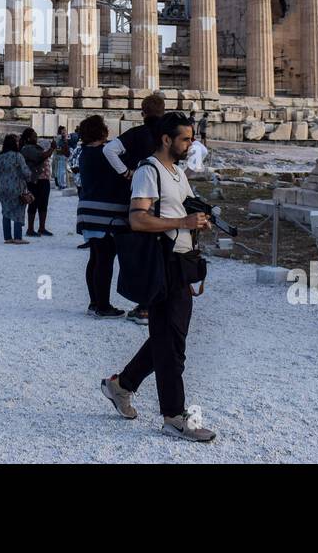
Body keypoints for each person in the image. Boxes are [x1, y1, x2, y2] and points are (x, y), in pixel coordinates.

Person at [100, 111, 215, 443]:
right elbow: (138, 220)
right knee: (172, 343)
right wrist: (183, 224)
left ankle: (120, 386)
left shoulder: (178, 172)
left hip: (181, 262)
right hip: (160, 265)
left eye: (192, 138)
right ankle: (174, 416)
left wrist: (197, 221)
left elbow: (180, 213)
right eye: (185, 138)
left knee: (169, 338)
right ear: (167, 139)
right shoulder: (148, 172)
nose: (191, 143)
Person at [101, 92, 166, 325]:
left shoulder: (137, 134)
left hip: (141, 198)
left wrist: (126, 173)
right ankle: (160, 303)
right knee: (165, 249)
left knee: (143, 251)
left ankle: (145, 307)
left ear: (143, 112)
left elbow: (108, 150)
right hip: (168, 199)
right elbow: (195, 156)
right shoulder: (170, 135)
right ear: (164, 111)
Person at [74, 115, 126, 317]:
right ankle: (103, 306)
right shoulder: (105, 153)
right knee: (105, 259)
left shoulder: (85, 153)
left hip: (87, 209)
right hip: (105, 212)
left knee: (95, 258)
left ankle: (94, 303)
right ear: (102, 131)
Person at [0, 133, 32, 244]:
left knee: (6, 212)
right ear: (14, 144)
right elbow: (25, 172)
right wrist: (30, 177)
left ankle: (8, 237)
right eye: (17, 142)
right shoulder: (18, 156)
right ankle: (18, 237)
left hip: (3, 189)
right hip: (17, 188)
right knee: (19, 211)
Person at [19, 127, 55, 237]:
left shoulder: (34, 147)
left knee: (43, 204)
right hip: (34, 180)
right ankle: (30, 229)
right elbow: (39, 157)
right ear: (28, 138)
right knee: (33, 204)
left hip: (43, 179)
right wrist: (51, 149)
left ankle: (41, 228)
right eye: (34, 136)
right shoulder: (27, 149)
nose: (36, 138)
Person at [52, 125, 71, 189]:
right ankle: (62, 184)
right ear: (61, 130)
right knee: (61, 171)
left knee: (58, 170)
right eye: (64, 130)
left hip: (57, 155)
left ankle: (59, 184)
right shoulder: (61, 137)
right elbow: (61, 147)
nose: (65, 131)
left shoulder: (56, 137)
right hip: (60, 155)